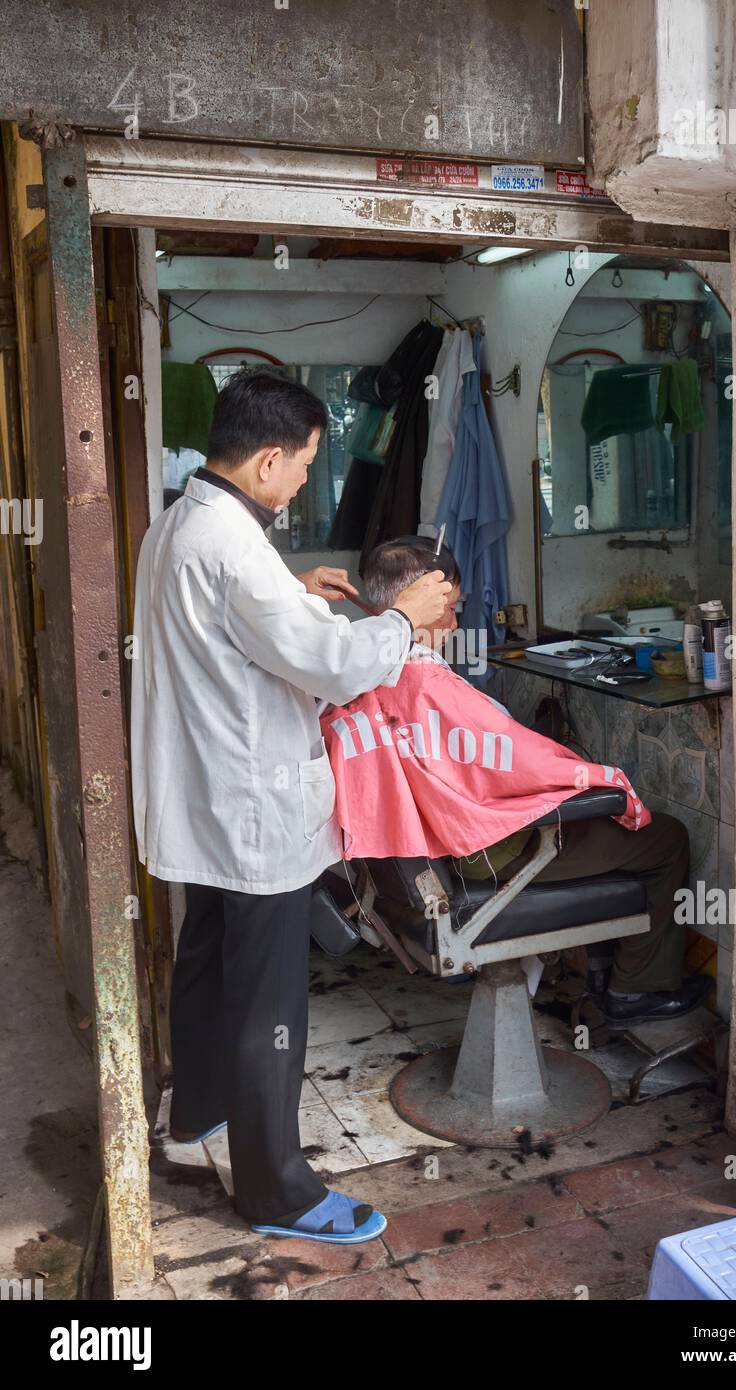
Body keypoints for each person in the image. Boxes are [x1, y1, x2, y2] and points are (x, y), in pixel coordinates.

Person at [131, 368, 451, 1245]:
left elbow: (237, 634)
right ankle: (275, 1191)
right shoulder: (234, 550)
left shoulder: (183, 524)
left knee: (205, 965)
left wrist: (294, 598)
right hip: (250, 809)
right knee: (269, 1002)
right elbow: (337, 668)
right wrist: (404, 619)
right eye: (305, 464)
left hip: (200, 804)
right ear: (269, 458)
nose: (308, 479)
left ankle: (196, 1120)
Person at [347, 534, 712, 1026]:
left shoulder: (354, 672)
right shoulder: (427, 683)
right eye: (448, 608)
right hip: (493, 855)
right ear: (418, 602)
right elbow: (524, 766)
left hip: (436, 858)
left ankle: (600, 973)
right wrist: (601, 780)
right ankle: (634, 991)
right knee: (664, 836)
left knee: (603, 827)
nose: (456, 623)